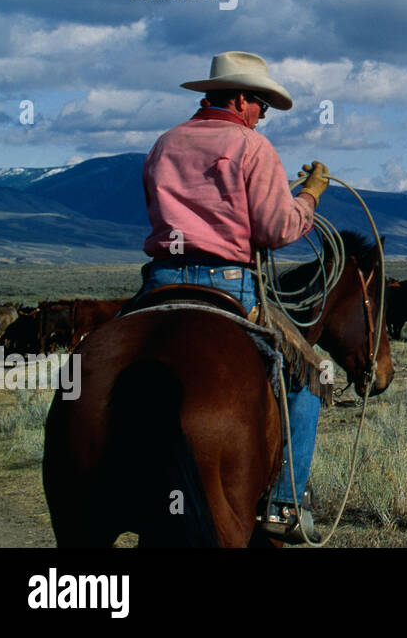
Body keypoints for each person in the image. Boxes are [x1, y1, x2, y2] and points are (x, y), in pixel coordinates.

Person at [138, 50, 329, 542]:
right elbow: (276, 228)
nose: (263, 115)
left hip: (160, 282)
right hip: (230, 285)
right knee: (308, 378)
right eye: (262, 104)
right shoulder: (252, 146)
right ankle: (285, 505)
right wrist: (309, 195)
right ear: (243, 98)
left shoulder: (164, 143)